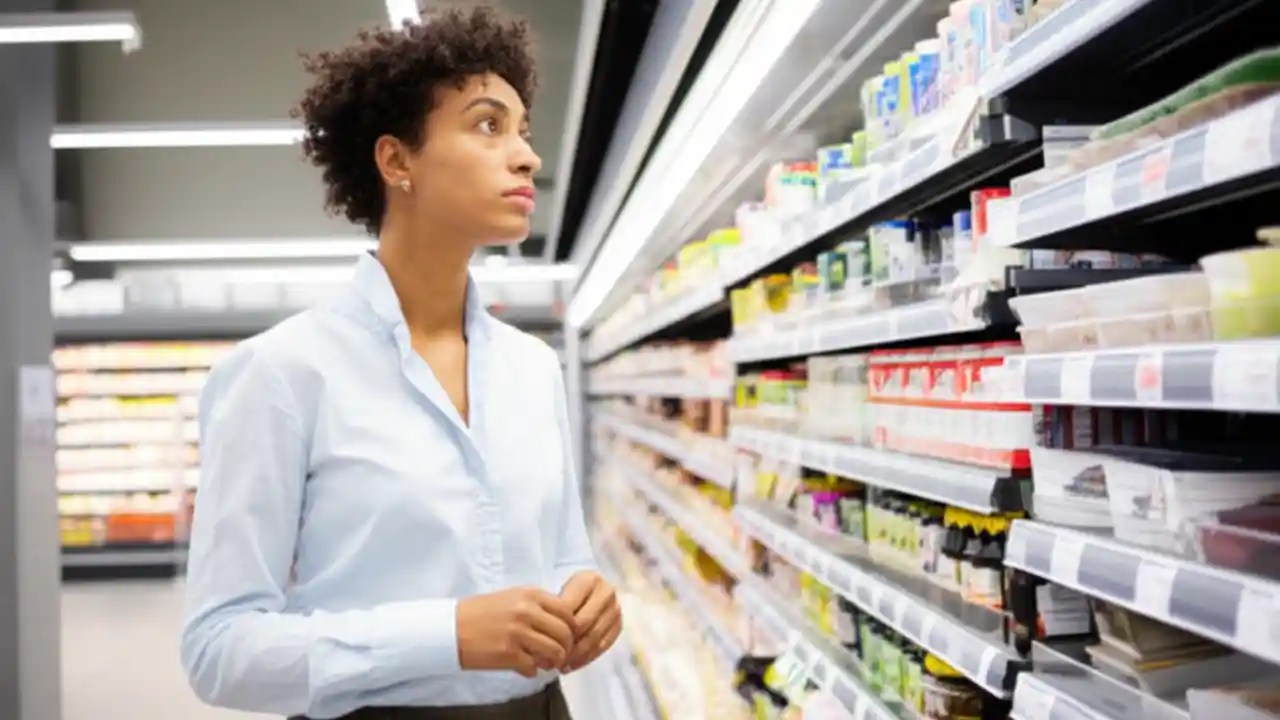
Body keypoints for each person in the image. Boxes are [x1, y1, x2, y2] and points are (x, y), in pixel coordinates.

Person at [179, 6, 620, 719]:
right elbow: (219, 650)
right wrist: (446, 636)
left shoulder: (532, 368)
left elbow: (563, 553)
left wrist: (584, 594)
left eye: (524, 132)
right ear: (396, 160)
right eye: (488, 125)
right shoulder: (283, 373)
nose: (527, 157)